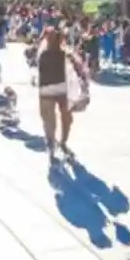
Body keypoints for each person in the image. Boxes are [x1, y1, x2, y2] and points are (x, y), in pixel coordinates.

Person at [37, 27, 82, 162]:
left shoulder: (47, 53)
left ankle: (55, 142)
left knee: (53, 119)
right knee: (59, 118)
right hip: (55, 89)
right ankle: (57, 142)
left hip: (51, 89)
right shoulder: (61, 53)